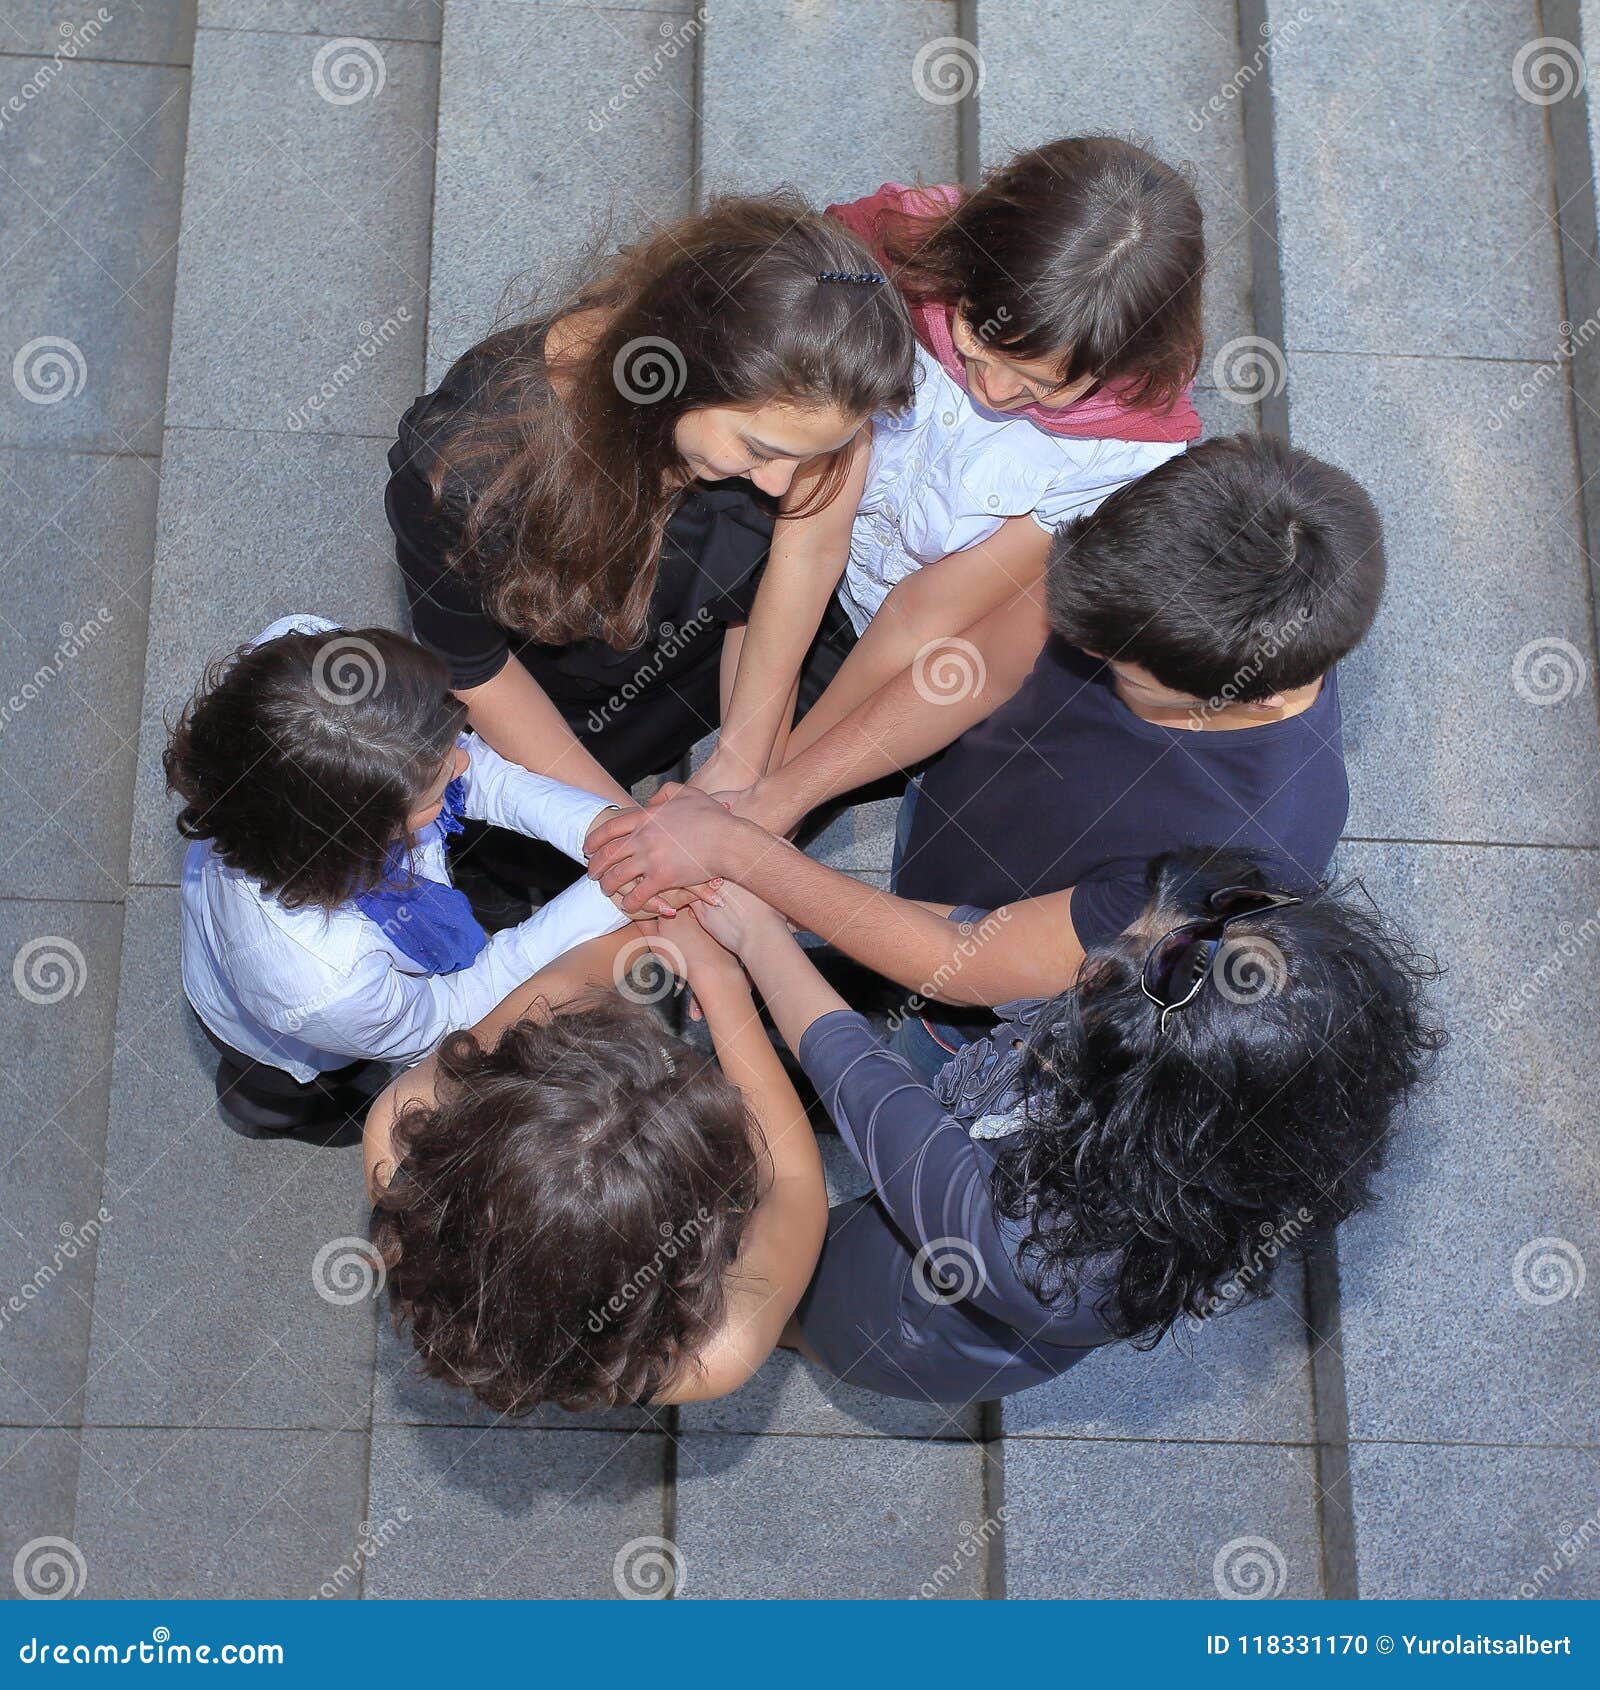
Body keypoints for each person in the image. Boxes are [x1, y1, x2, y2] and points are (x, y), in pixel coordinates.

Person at [583, 434, 1386, 1070]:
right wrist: (778, 800)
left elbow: (968, 958)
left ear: (1259, 695)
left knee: (890, 1053)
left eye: (1121, 670)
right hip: (960, 828)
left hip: (974, 1004)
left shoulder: (1245, 860)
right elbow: (976, 674)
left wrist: (743, 854)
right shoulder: (1157, 568)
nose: (1086, 656)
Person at [688, 863, 1441, 1404]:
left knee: (794, 1293)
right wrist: (795, 893)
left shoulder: (1035, 1255)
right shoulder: (1201, 1095)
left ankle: (782, 1324)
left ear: (1162, 1104)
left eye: (1128, 970)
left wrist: (758, 943)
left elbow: (879, 1106)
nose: (1092, 961)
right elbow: (982, 945)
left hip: (901, 1312)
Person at [384, 193, 917, 831]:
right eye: (759, 450)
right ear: (687, 370)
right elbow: (478, 670)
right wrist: (615, 828)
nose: (781, 486)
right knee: (513, 850)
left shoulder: (816, 382)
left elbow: (802, 557)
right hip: (564, 690)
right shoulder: (471, 469)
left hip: (729, 648)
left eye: (814, 455)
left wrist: (741, 762)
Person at [697, 136, 1205, 794]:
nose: (993, 391)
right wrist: (740, 762)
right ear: (967, 269)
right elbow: (811, 532)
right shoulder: (889, 268)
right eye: (976, 346)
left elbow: (921, 616)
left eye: (1040, 386)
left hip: (891, 650)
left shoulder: (1128, 446)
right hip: (788, 539)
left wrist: (774, 797)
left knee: (791, 791)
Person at [166, 615, 627, 1133]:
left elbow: (472, 772)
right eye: (429, 796)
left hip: (307, 971)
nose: (462, 760)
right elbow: (453, 1011)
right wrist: (609, 895)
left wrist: (601, 828)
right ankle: (266, 1109)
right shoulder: (328, 982)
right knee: (285, 1084)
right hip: (279, 1030)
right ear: (361, 839)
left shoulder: (317, 670)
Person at [366, 915, 827, 1411]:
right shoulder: (717, 1351)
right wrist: (720, 978)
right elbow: (794, 1184)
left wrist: (656, 923)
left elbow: (563, 986)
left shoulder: (401, 1127)